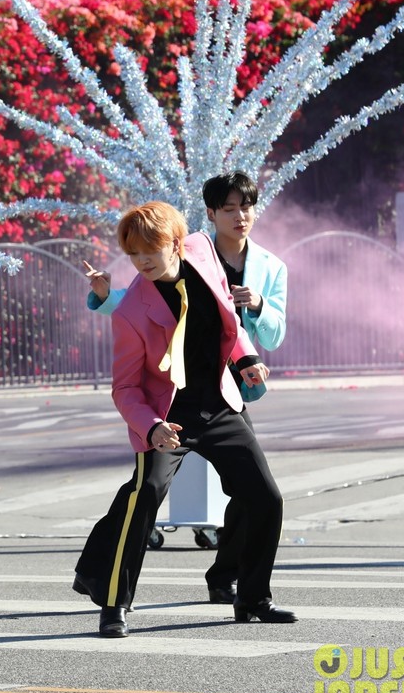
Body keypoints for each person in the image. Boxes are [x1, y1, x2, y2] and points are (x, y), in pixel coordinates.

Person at [73, 201, 295, 638]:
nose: (141, 262)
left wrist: (247, 357)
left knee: (265, 497)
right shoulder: (131, 310)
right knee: (145, 494)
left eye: (149, 251)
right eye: (133, 254)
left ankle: (253, 599)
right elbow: (125, 389)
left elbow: (227, 317)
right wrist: (151, 427)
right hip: (165, 416)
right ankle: (114, 604)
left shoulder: (204, 253)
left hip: (217, 405)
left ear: (176, 244)